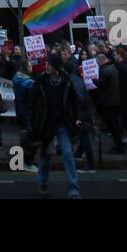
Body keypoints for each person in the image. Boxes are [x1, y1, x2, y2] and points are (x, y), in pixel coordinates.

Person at [30, 53, 81, 198]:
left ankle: (73, 188)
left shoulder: (67, 82)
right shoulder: (40, 82)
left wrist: (77, 118)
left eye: (49, 64)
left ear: (57, 67)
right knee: (45, 155)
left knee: (67, 154)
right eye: (46, 63)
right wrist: (31, 123)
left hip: (63, 123)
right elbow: (32, 104)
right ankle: (42, 183)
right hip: (46, 124)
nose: (46, 66)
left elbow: (73, 101)